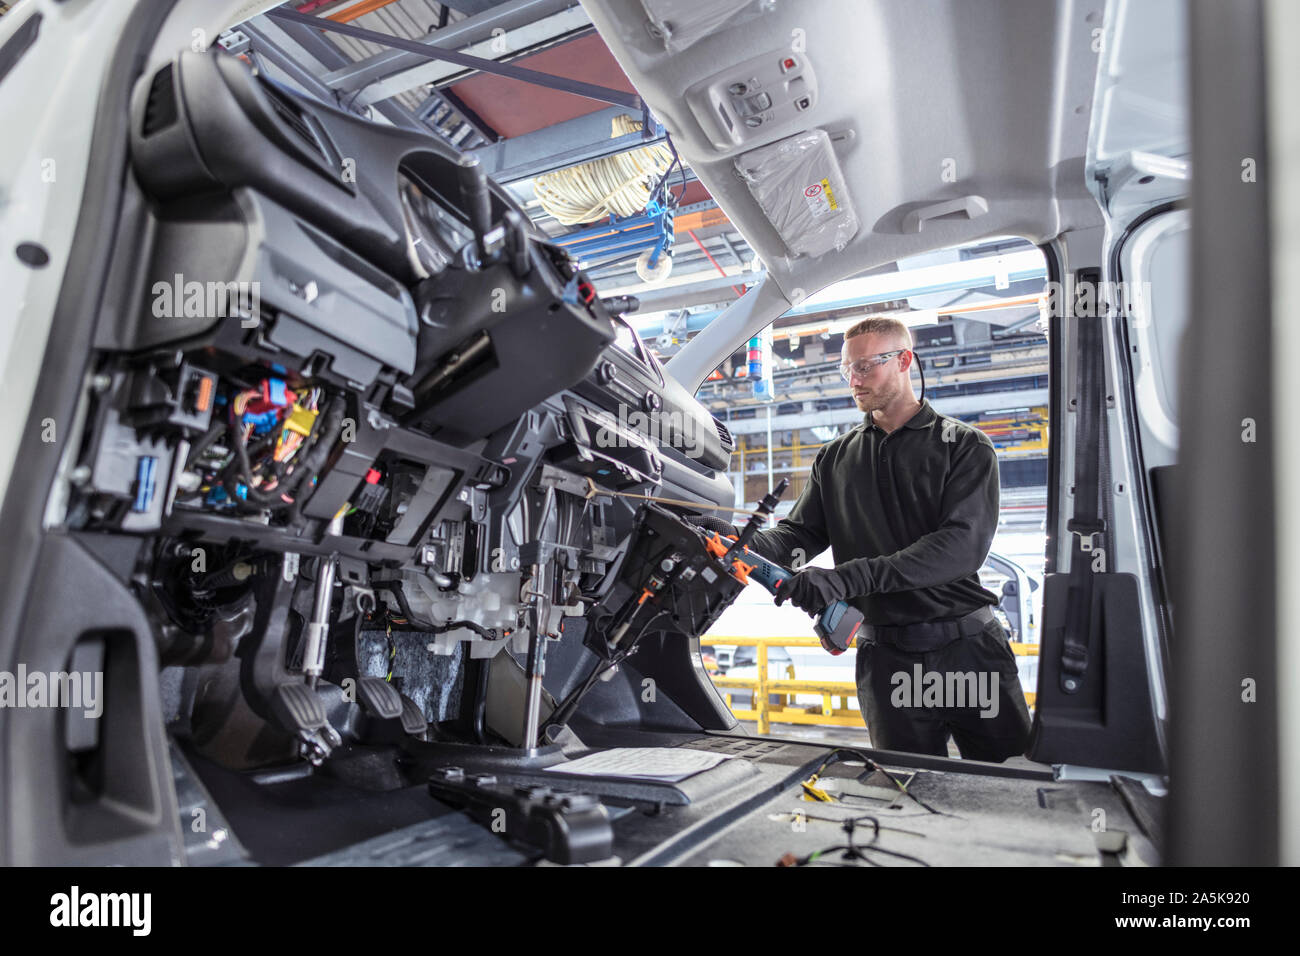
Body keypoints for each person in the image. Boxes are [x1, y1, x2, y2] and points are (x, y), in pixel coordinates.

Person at [746, 316, 1032, 761]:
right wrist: (740, 543)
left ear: (903, 361)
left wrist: (844, 580)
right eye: (847, 370)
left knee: (1011, 785)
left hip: (967, 651)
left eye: (865, 367)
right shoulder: (836, 457)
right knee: (905, 792)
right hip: (887, 660)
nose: (853, 381)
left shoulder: (963, 446)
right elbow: (800, 535)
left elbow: (959, 546)